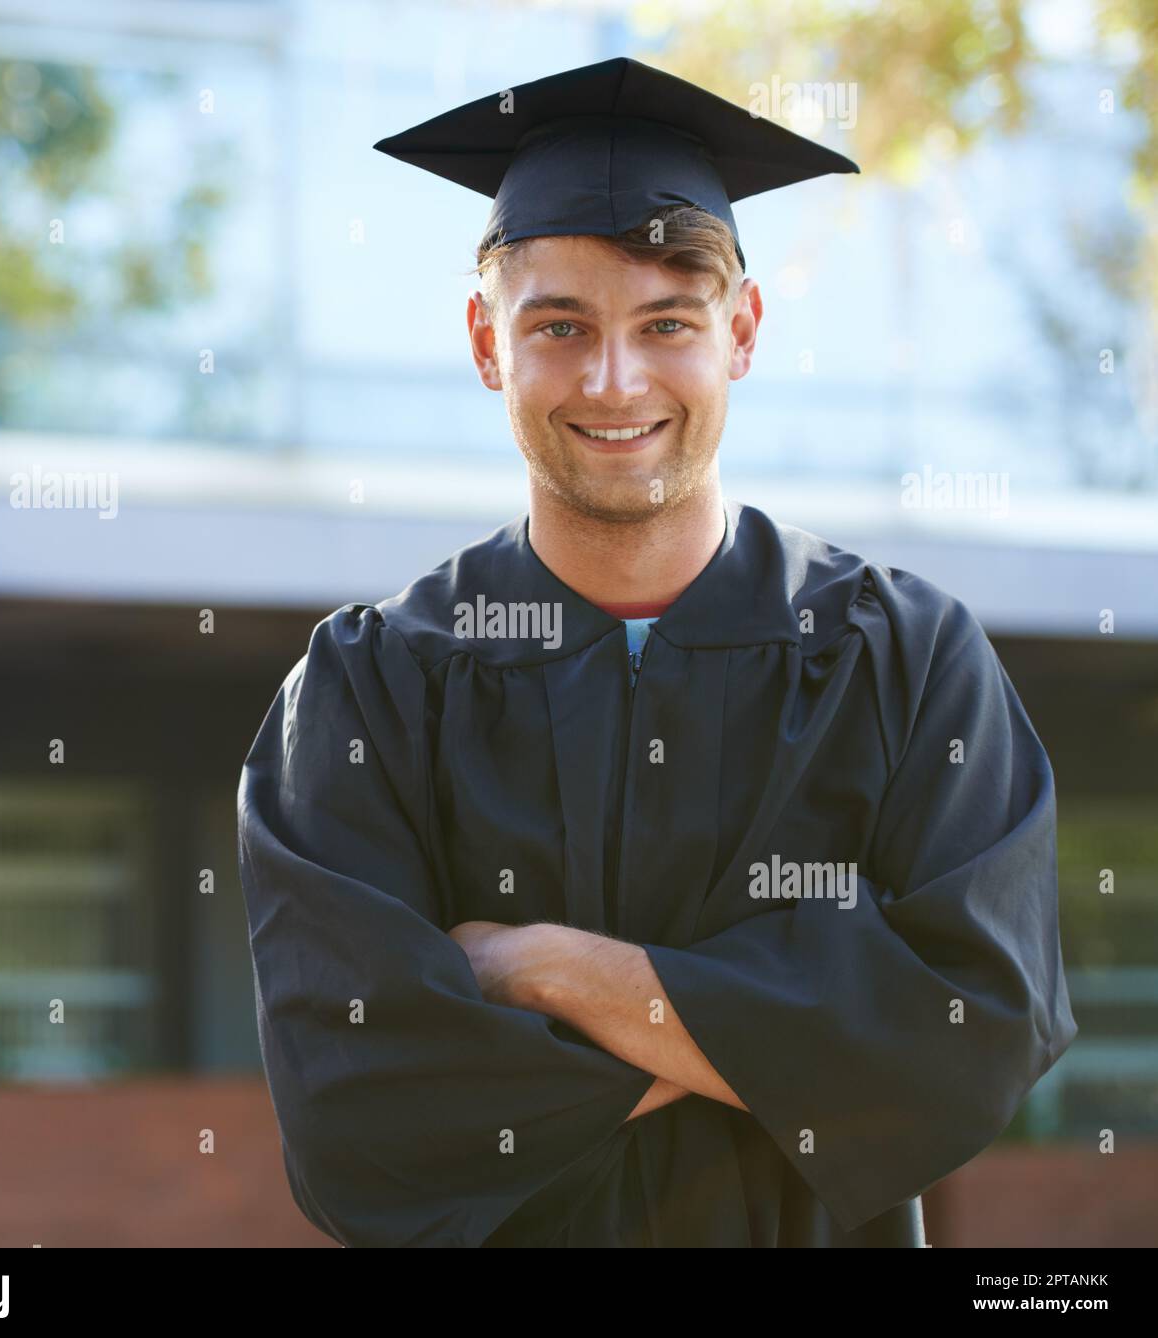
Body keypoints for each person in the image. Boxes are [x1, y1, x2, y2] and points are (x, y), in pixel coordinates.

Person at [236, 56, 1078, 1247]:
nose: (613, 379)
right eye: (560, 326)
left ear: (740, 332)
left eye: (667, 323)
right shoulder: (367, 689)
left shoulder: (901, 659)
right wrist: (817, 1036)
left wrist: (549, 970)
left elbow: (976, 1033)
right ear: (487, 342)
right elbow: (353, 1112)